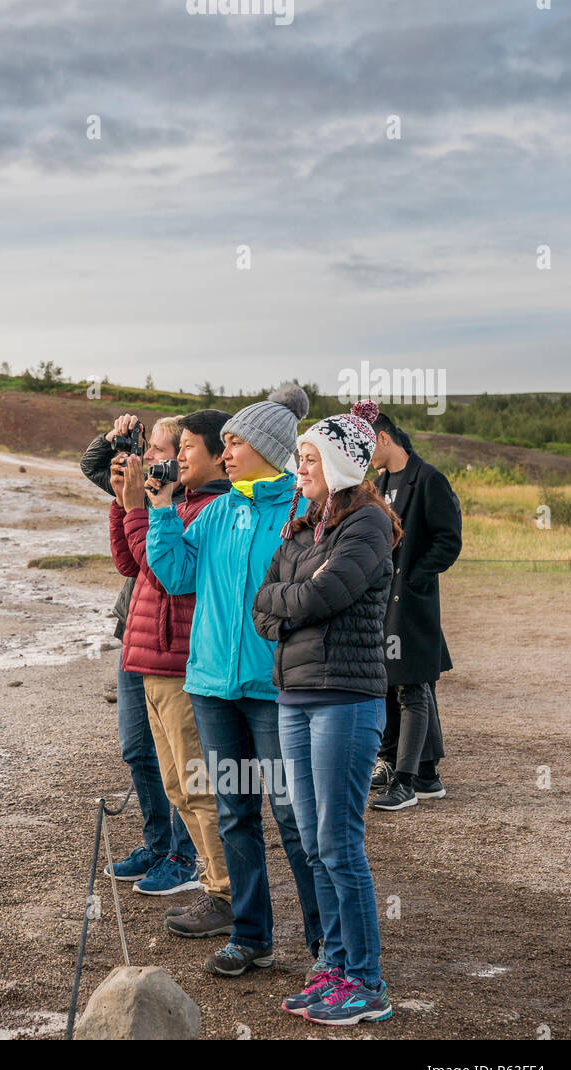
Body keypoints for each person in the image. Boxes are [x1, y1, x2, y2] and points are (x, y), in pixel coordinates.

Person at [146, 384, 323, 977]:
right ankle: (251, 937)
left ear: (270, 449)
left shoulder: (299, 512)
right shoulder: (220, 509)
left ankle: (329, 946)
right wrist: (163, 509)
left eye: (235, 442)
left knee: (294, 815)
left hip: (273, 690)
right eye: (223, 444)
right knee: (234, 813)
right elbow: (173, 574)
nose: (225, 453)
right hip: (212, 687)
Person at [253, 399, 400, 1025]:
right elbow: (263, 606)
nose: (300, 469)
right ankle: (336, 966)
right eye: (299, 459)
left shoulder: (367, 525)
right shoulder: (306, 521)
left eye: (309, 459)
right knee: (313, 844)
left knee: (340, 843)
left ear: (340, 463)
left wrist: (290, 601)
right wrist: (292, 601)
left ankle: (366, 981)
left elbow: (324, 593)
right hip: (296, 697)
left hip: (346, 698)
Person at [115, 410, 233, 904]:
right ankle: (211, 882)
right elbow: (130, 561)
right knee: (180, 787)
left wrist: (142, 508)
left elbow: (165, 574)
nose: (178, 457)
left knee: (198, 787)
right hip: (155, 658)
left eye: (185, 447)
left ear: (218, 455)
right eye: (175, 447)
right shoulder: (181, 503)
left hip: (182, 661)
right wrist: (127, 503)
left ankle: (225, 893)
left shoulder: (213, 509)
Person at [83, 415, 199, 893]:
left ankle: (183, 855)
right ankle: (156, 846)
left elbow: (156, 567)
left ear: (183, 457)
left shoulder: (184, 502)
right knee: (137, 748)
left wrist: (138, 506)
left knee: (178, 759)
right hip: (137, 633)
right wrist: (114, 441)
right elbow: (93, 466)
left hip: (171, 643)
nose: (146, 457)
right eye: (145, 447)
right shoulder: (148, 489)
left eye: (156, 449)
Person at [368, 413, 462, 811]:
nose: (363, 455)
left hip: (412, 603)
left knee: (412, 685)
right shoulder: (379, 484)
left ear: (385, 438)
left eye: (368, 445)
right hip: (382, 602)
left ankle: (405, 782)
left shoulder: (429, 479)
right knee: (394, 681)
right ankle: (424, 774)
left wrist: (416, 578)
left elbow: (448, 538)